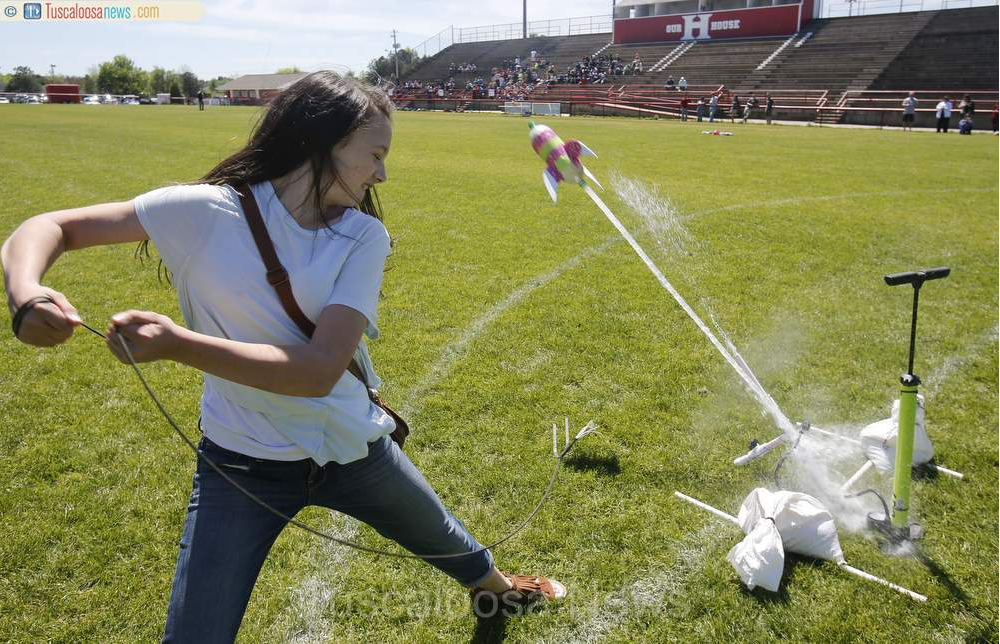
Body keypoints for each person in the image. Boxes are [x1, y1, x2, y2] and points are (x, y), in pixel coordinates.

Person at [1, 72, 567, 641]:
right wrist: (27, 294)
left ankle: (496, 588)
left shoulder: (362, 236)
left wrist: (177, 345)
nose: (382, 174)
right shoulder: (201, 211)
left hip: (349, 445)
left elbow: (319, 372)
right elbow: (51, 227)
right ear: (322, 143)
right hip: (240, 461)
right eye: (375, 155)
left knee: (443, 536)